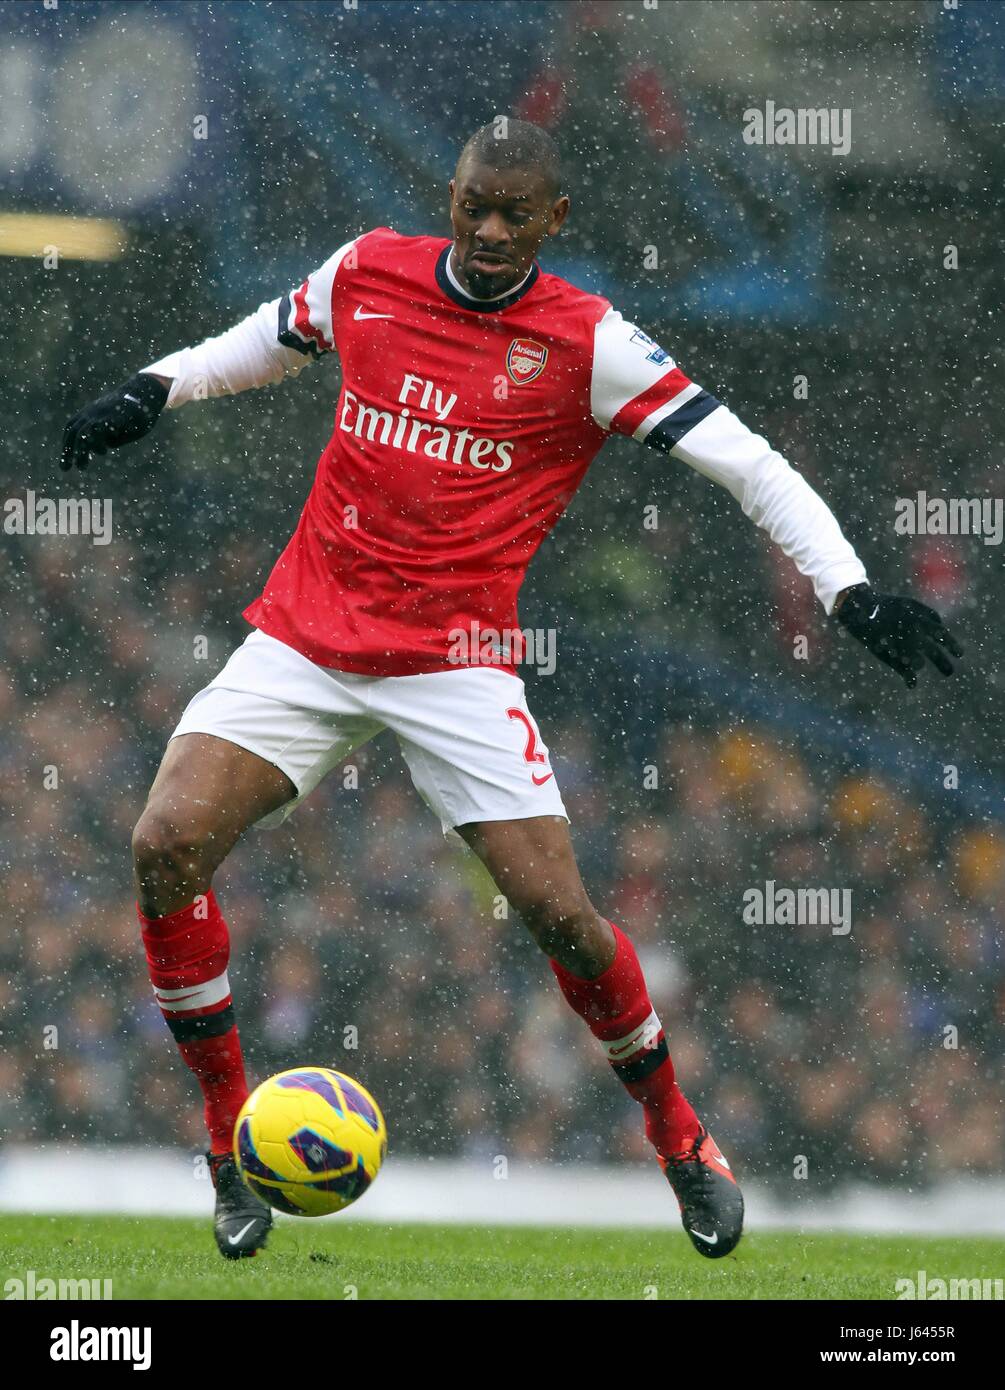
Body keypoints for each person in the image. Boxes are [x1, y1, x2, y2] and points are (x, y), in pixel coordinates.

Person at [60, 119, 962, 1261]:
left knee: (565, 922)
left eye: (513, 213)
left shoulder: (589, 343)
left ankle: (684, 1144)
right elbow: (269, 342)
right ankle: (228, 1147)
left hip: (453, 665)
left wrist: (847, 592)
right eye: (473, 206)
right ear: (453, 197)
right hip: (304, 636)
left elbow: (750, 462)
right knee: (162, 844)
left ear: (554, 221)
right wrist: (153, 387)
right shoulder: (369, 269)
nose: (488, 231)